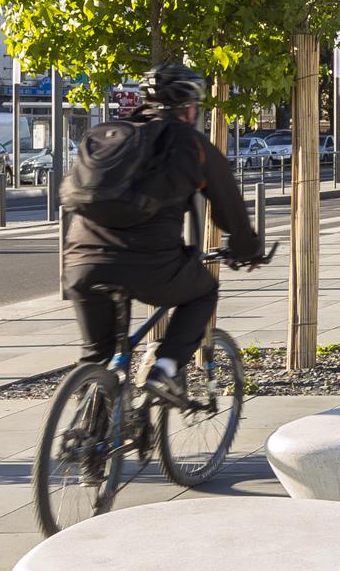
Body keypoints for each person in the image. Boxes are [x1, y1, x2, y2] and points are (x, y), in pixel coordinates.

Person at [61, 64, 265, 403]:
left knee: (98, 356)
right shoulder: (190, 143)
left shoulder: (107, 136)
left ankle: (88, 434)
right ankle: (166, 369)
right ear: (190, 108)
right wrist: (247, 248)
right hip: (149, 264)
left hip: (81, 261)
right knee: (203, 292)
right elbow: (229, 207)